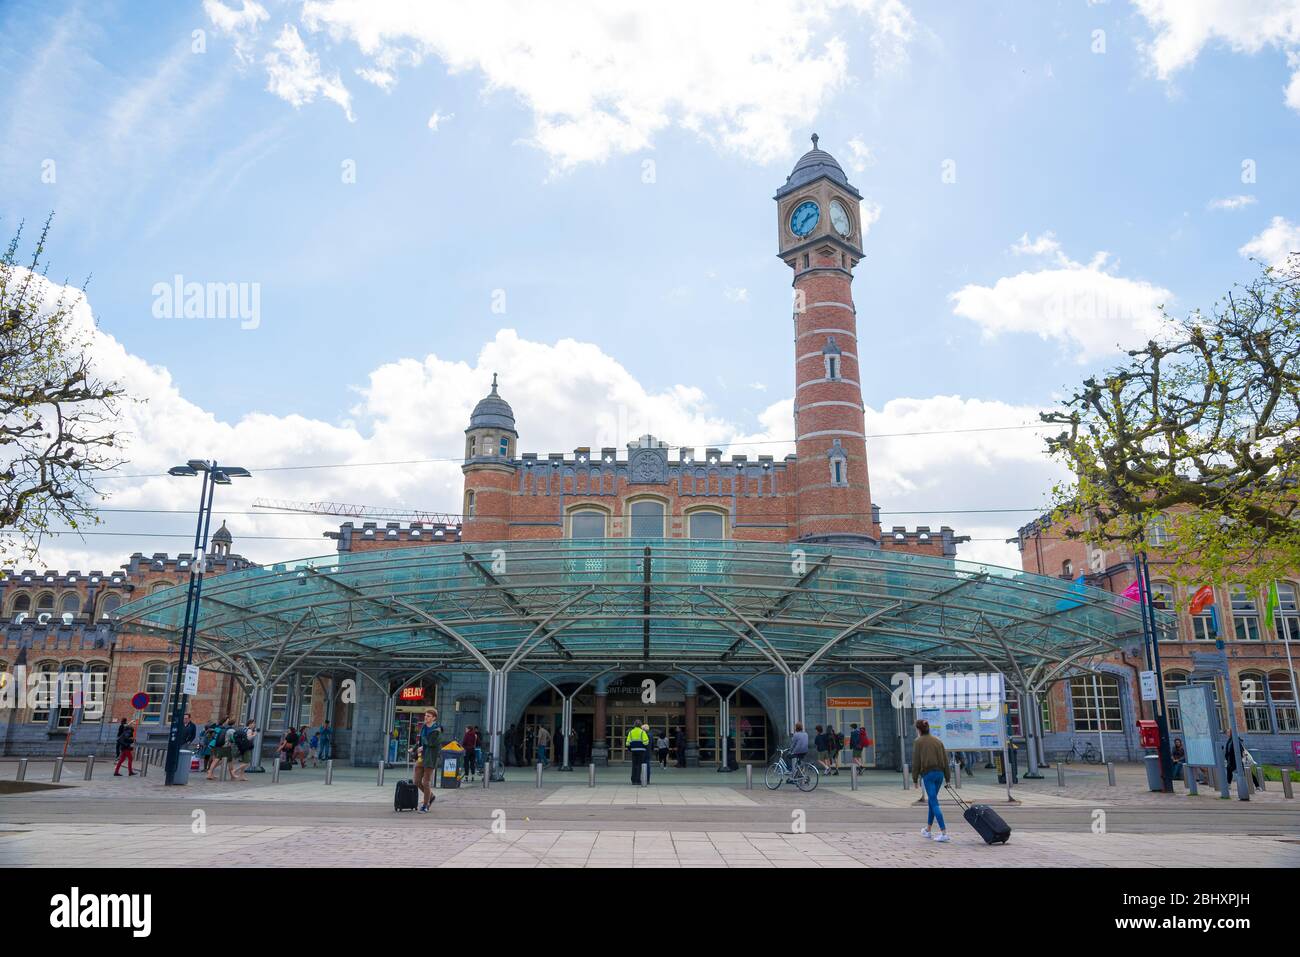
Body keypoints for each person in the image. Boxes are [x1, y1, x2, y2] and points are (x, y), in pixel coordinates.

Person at [911, 718, 950, 843]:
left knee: (933, 802)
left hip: (928, 774)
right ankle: (928, 830)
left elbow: (916, 761)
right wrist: (948, 778)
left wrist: (915, 778)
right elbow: (945, 760)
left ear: (918, 730)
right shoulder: (938, 741)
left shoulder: (918, 742)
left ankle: (944, 832)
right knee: (932, 801)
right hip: (940, 774)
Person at [414, 709, 442, 812]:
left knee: (426, 782)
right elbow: (420, 741)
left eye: (429, 716)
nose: (426, 717)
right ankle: (431, 796)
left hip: (430, 758)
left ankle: (425, 805)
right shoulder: (424, 728)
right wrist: (414, 748)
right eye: (425, 715)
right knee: (416, 781)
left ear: (434, 718)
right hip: (421, 757)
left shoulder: (437, 730)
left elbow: (432, 743)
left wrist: (423, 746)